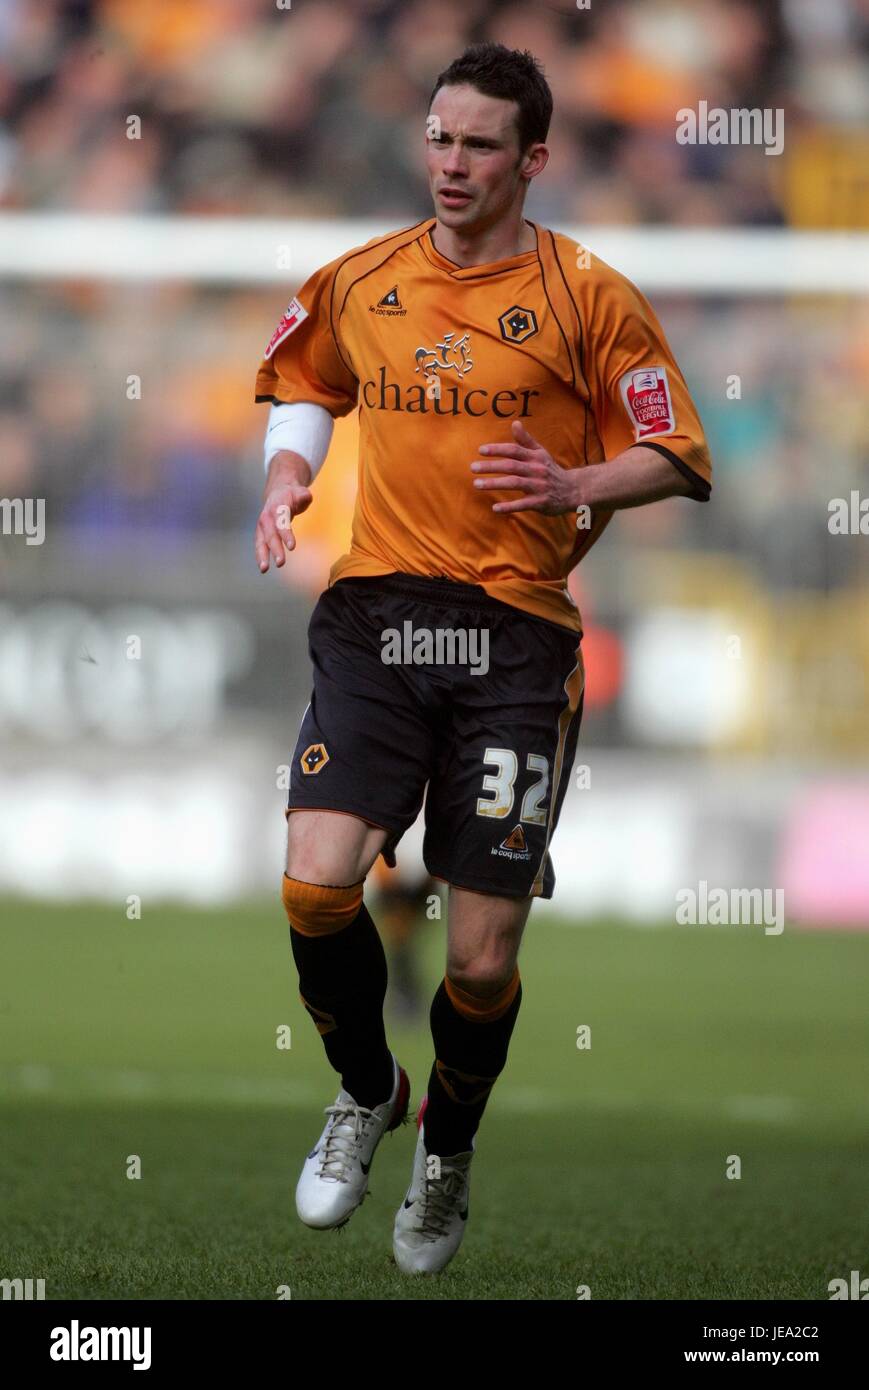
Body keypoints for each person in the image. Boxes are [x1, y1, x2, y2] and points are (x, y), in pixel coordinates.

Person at [253, 41, 711, 1276]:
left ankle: (445, 1150)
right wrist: (288, 474)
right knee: (313, 880)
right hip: (377, 620)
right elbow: (303, 383)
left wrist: (572, 479)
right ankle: (366, 1091)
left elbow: (673, 450)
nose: (451, 165)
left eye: (479, 146)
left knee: (481, 950)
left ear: (532, 160)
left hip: (514, 639)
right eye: (438, 139)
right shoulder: (361, 278)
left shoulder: (589, 296)